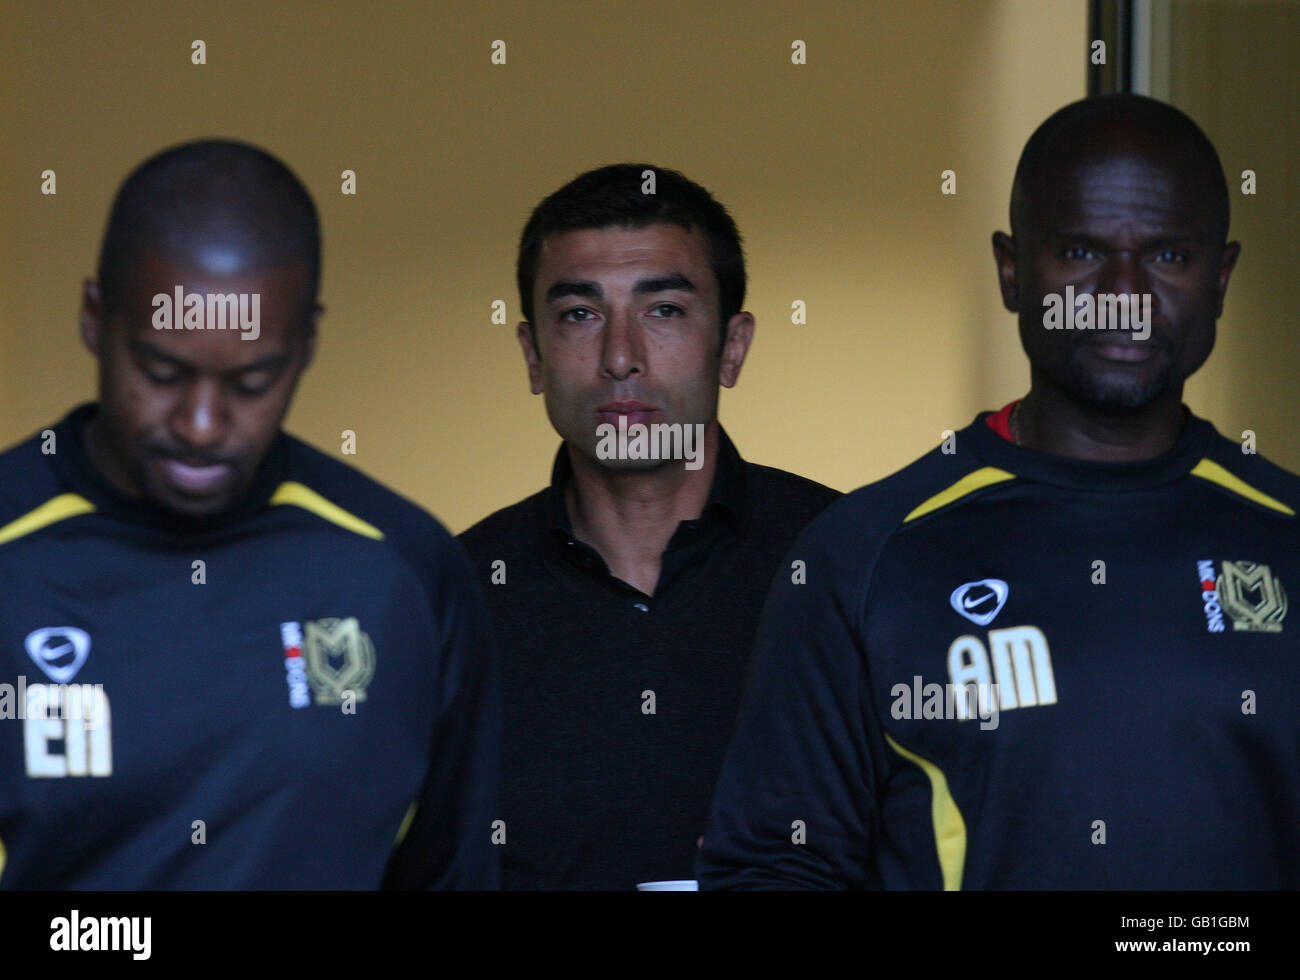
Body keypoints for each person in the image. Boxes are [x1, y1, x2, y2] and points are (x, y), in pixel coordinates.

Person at [698, 93, 1299, 889]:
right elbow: (775, 868)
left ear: (1220, 281)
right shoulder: (867, 553)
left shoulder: (1285, 534)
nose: (1122, 292)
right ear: (1013, 272)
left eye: (1169, 257)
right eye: (1081, 253)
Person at [0, 140, 499, 889]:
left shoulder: (401, 569)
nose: (202, 424)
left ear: (307, 345)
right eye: (161, 372)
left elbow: (452, 873)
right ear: (94, 319)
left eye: (253, 380)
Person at [459, 164, 839, 890]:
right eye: (580, 314)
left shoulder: (850, 560)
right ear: (533, 357)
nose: (621, 357)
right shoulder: (454, 597)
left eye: (664, 309)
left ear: (733, 346)